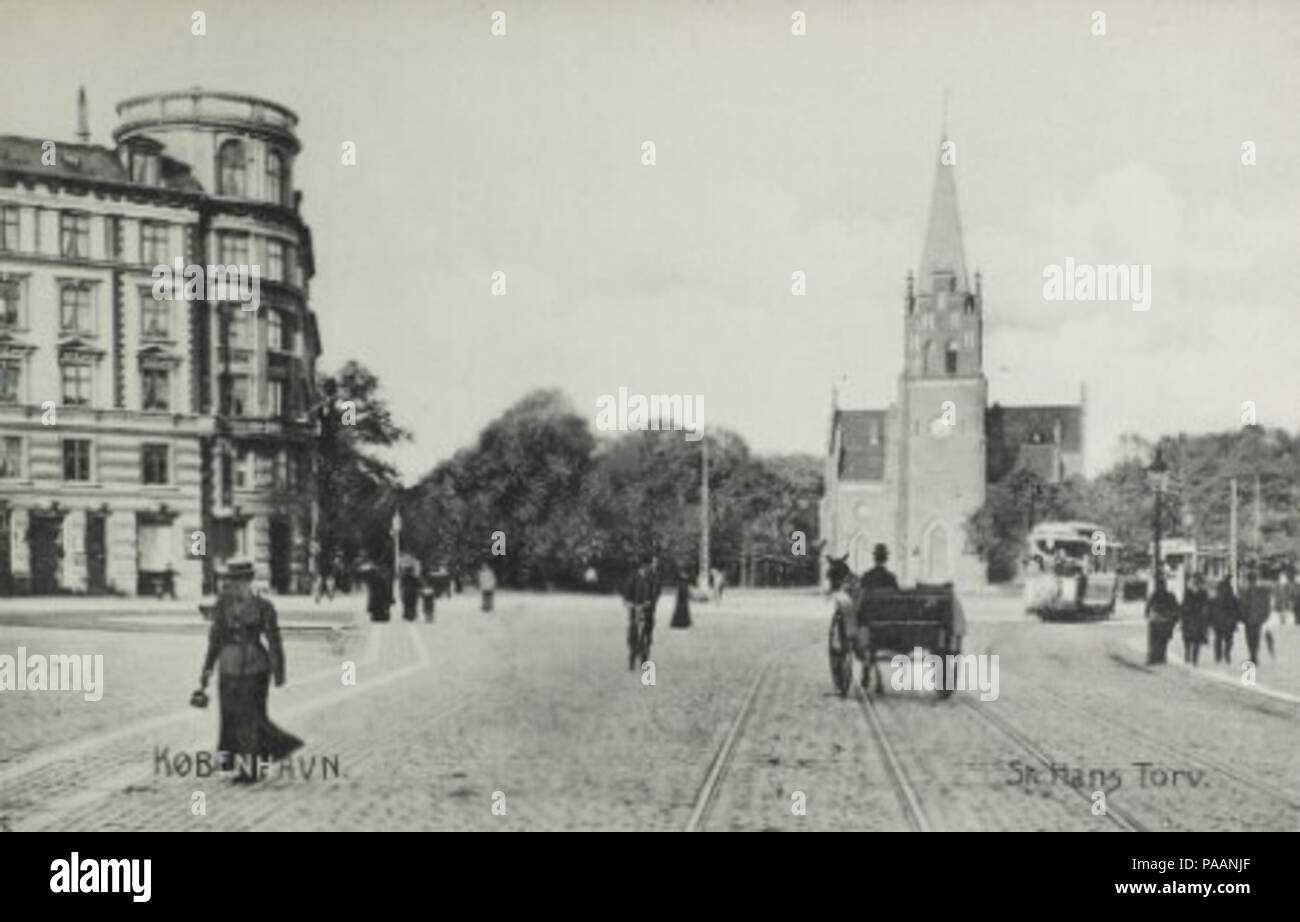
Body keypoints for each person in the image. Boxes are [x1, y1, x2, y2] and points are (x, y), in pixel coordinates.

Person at [198, 558, 302, 781]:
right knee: (230, 715)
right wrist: (206, 670)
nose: (235, 584)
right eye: (232, 580)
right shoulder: (222, 605)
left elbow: (274, 640)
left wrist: (278, 671)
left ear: (249, 580)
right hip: (228, 665)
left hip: (256, 666)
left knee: (252, 717)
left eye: (240, 579)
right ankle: (232, 758)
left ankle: (253, 767)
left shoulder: (264, 607)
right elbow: (215, 639)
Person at [622, 555, 660, 669]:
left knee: (647, 636)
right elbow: (627, 596)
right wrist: (631, 605)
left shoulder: (652, 579)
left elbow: (655, 596)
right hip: (635, 611)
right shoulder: (632, 579)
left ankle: (645, 659)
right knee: (633, 635)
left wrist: (650, 603)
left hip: (648, 612)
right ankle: (632, 659)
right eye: (647, 566)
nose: (649, 569)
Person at [1144, 577, 1179, 665]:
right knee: (1162, 640)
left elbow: (1148, 606)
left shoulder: (1154, 595)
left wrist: (1147, 614)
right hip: (1164, 621)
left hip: (1155, 620)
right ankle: (1161, 657)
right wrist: (1174, 618)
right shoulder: (1169, 595)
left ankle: (1153, 657)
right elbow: (1176, 607)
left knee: (1154, 640)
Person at [1241, 568, 1271, 665]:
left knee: (1252, 638)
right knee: (1253, 638)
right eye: (1251, 580)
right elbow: (1242, 605)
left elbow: (1266, 604)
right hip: (1251, 619)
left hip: (1254, 619)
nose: (1251, 582)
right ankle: (1253, 655)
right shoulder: (1247, 591)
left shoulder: (1259, 591)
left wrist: (1264, 616)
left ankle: (1253, 655)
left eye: (1252, 580)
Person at [1179, 573, 1210, 666]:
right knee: (1190, 638)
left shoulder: (1201, 593)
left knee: (1193, 639)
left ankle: (1193, 658)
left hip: (1195, 618)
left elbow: (1206, 606)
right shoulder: (1189, 592)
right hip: (1192, 618)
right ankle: (1190, 655)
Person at [1210, 575, 1240, 663]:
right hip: (1228, 621)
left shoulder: (1217, 597)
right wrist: (1235, 620)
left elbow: (1212, 609)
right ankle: (1226, 654)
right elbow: (1236, 610)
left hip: (1219, 621)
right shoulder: (1231, 597)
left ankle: (1218, 656)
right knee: (1228, 640)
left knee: (1219, 639)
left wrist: (1211, 620)